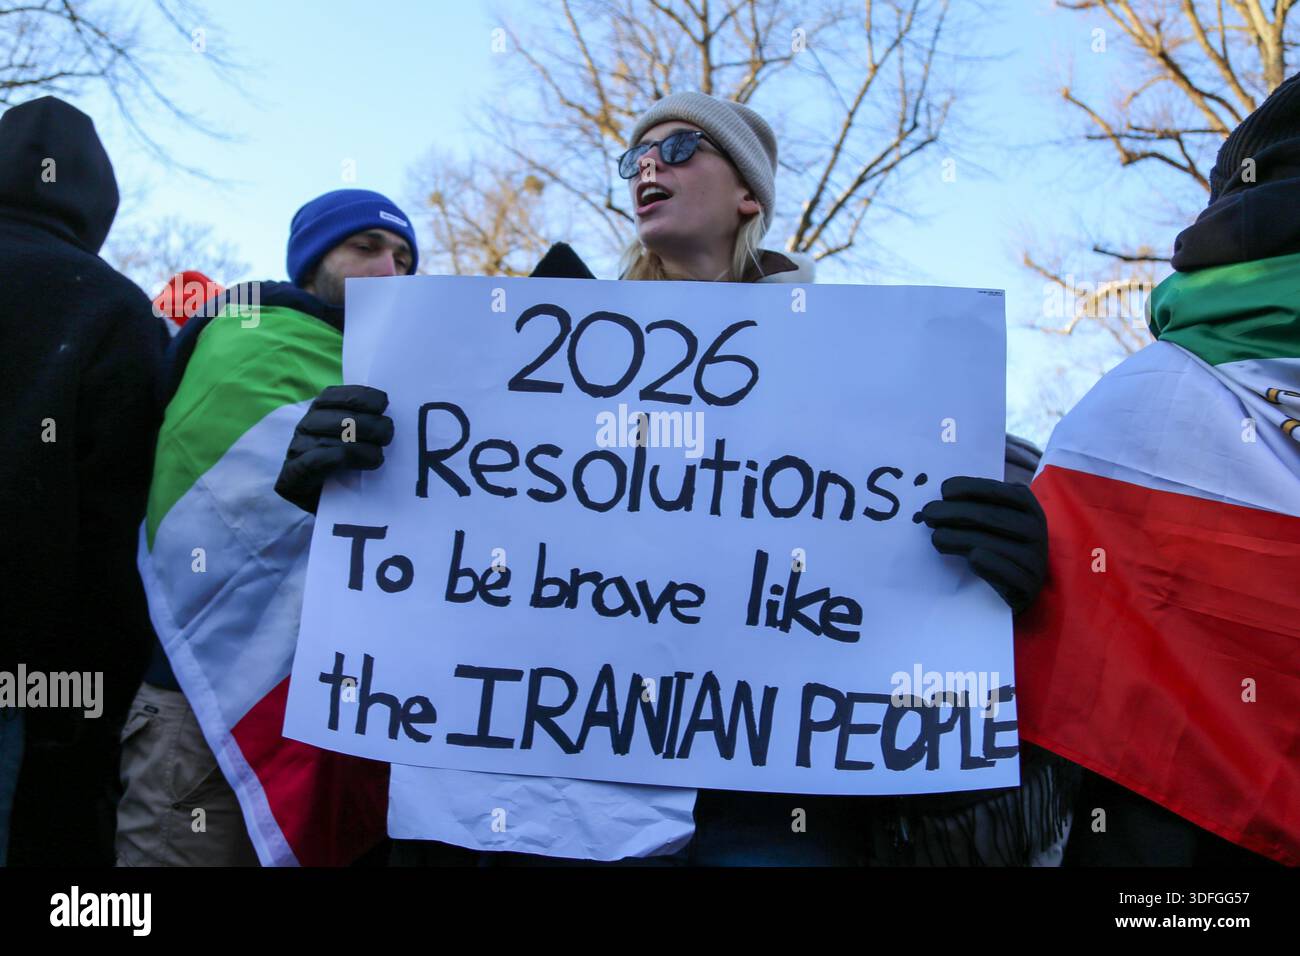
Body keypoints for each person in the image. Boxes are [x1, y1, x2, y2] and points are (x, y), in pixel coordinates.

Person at [280, 93, 1066, 866]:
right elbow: (485, 556)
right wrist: (342, 483)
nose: (649, 164)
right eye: (634, 157)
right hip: (570, 789)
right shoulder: (528, 376)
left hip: (771, 800)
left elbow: (903, 572)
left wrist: (1022, 571)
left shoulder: (868, 381)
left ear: (748, 193)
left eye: (683, 147)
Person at [121, 189, 417, 866]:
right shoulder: (245, 338)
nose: (389, 270)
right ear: (313, 261)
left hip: (345, 719)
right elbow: (210, 492)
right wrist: (292, 472)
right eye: (365, 248)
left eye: (404, 258)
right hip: (195, 710)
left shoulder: (418, 379)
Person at [0, 96, 169, 866]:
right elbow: (115, 530)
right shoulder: (110, 308)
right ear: (99, 202)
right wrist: (87, 702)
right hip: (22, 688)